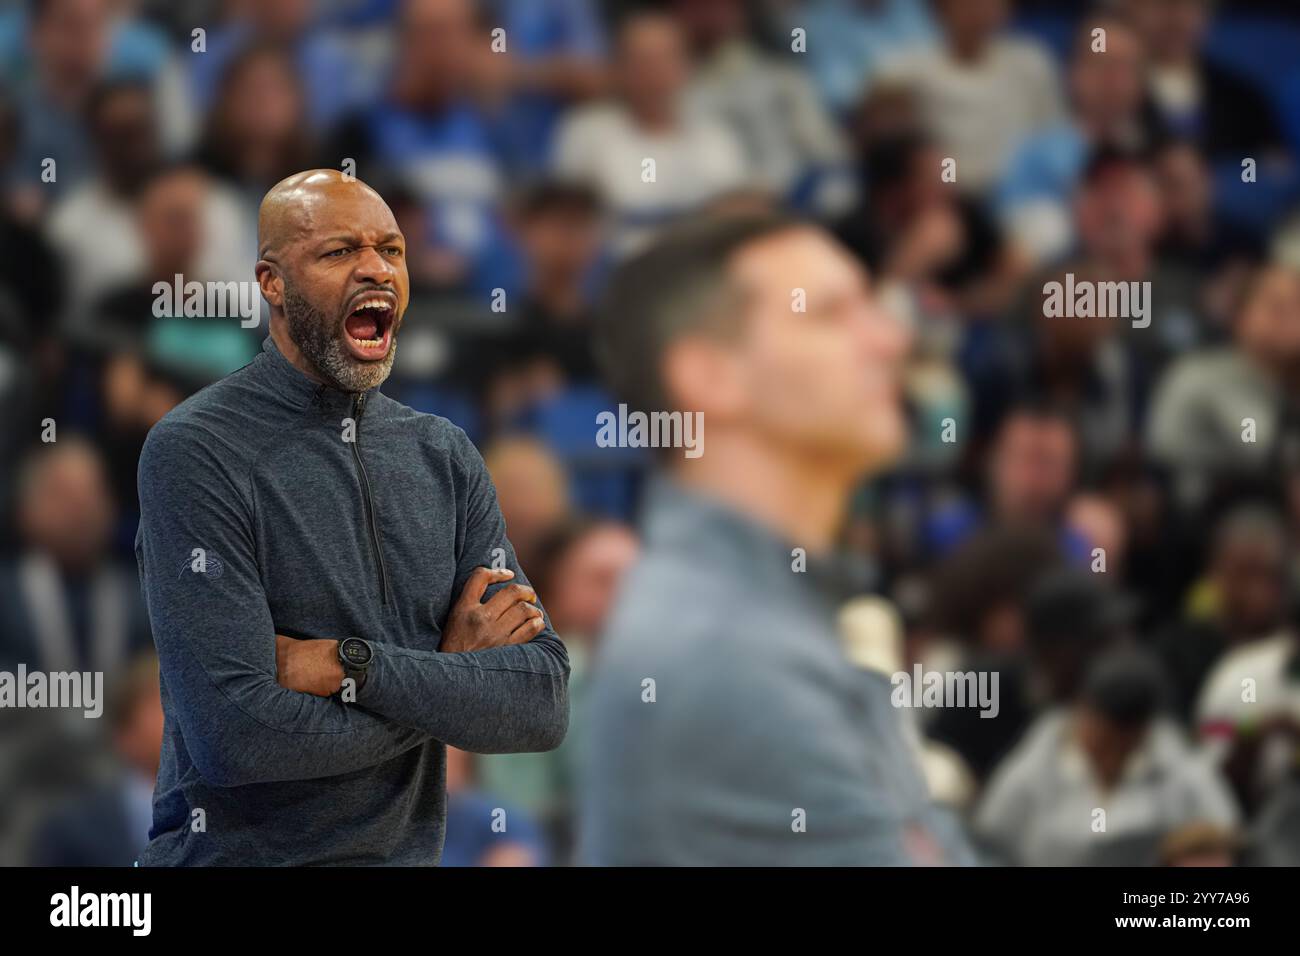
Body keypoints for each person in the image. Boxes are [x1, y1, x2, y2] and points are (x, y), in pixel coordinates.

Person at [134, 169, 569, 866]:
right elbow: (237, 738)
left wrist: (349, 664)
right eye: (338, 252)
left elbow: (539, 703)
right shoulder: (197, 450)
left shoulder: (444, 454)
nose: (375, 269)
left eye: (391, 251)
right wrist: (446, 679)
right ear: (271, 282)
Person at [581, 211, 971, 864]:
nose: (891, 339)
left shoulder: (763, 612)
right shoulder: (720, 653)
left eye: (871, 305)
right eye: (829, 314)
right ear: (709, 377)